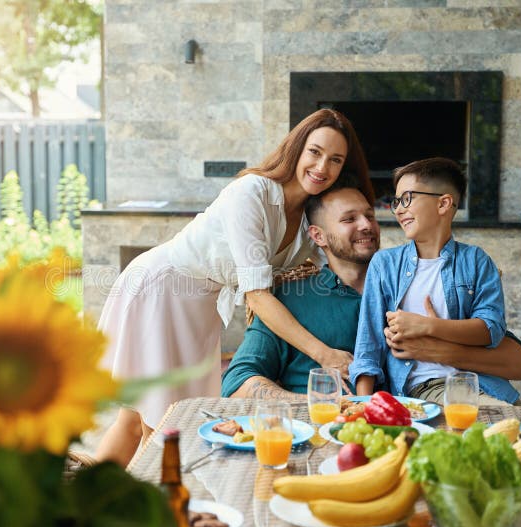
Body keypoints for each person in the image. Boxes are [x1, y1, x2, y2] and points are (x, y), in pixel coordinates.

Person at [95, 109, 374, 467]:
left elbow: (324, 266)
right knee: (162, 424)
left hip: (200, 307)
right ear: (295, 150)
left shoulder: (308, 218)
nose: (323, 167)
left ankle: (82, 503)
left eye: (335, 160)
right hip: (162, 289)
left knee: (136, 419)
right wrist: (325, 355)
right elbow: (256, 293)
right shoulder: (252, 192)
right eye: (315, 152)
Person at [221, 178, 521, 401]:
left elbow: (520, 363)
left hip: (412, 424)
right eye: (349, 219)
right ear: (318, 235)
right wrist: (311, 407)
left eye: (369, 215)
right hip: (320, 428)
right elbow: (238, 380)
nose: (366, 225)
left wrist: (435, 348)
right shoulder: (293, 298)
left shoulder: (409, 282)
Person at [350, 157, 518, 404]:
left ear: (443, 203)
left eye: (407, 199)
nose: (398, 209)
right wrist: (363, 408)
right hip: (424, 390)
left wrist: (427, 327)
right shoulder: (384, 265)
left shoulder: (476, 261)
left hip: (479, 383)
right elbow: (368, 348)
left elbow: (491, 329)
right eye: (396, 202)